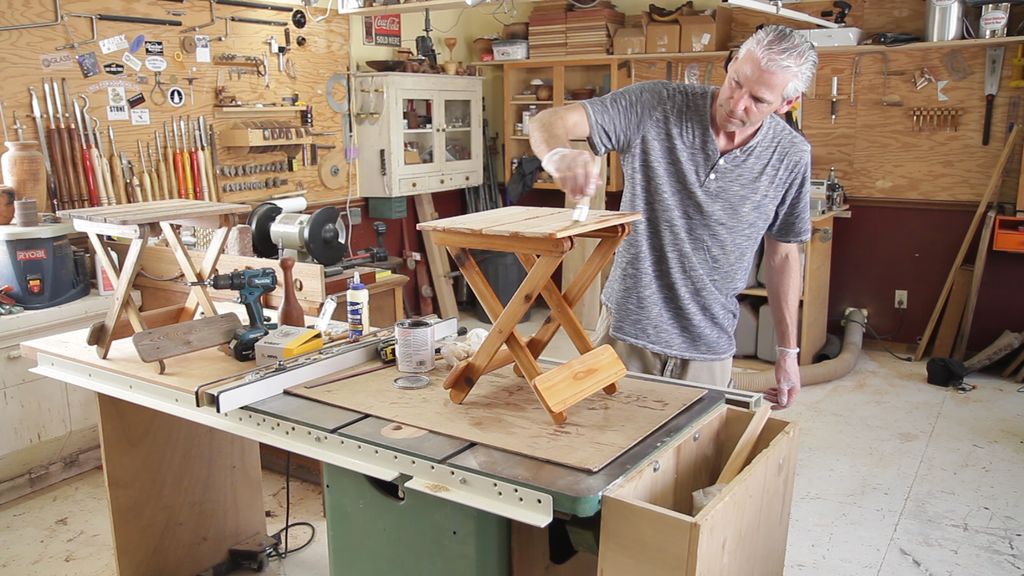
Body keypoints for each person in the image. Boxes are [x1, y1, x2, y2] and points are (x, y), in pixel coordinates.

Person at [528, 25, 818, 409]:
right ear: (732, 63)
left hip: (709, 344)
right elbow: (547, 122)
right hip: (627, 332)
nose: (736, 103)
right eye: (735, 82)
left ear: (787, 102)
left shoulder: (790, 156)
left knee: (695, 445)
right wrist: (558, 156)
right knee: (604, 436)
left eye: (758, 99)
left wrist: (787, 353)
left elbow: (783, 255)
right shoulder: (656, 105)